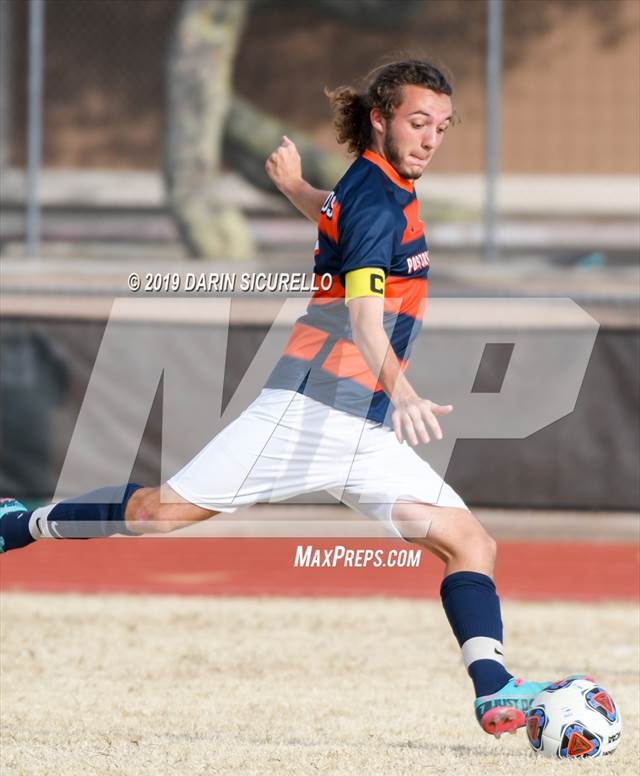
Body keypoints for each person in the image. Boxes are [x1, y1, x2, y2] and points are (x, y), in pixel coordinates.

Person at [1, 60, 555, 737]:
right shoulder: (379, 202)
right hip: (304, 414)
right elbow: (363, 320)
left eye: (441, 126)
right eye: (418, 122)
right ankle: (19, 522)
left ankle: (493, 689)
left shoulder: (371, 185)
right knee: (157, 515)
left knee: (471, 542)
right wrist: (403, 387)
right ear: (379, 119)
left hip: (365, 434)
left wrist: (295, 186)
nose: (431, 137)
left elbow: (333, 211)